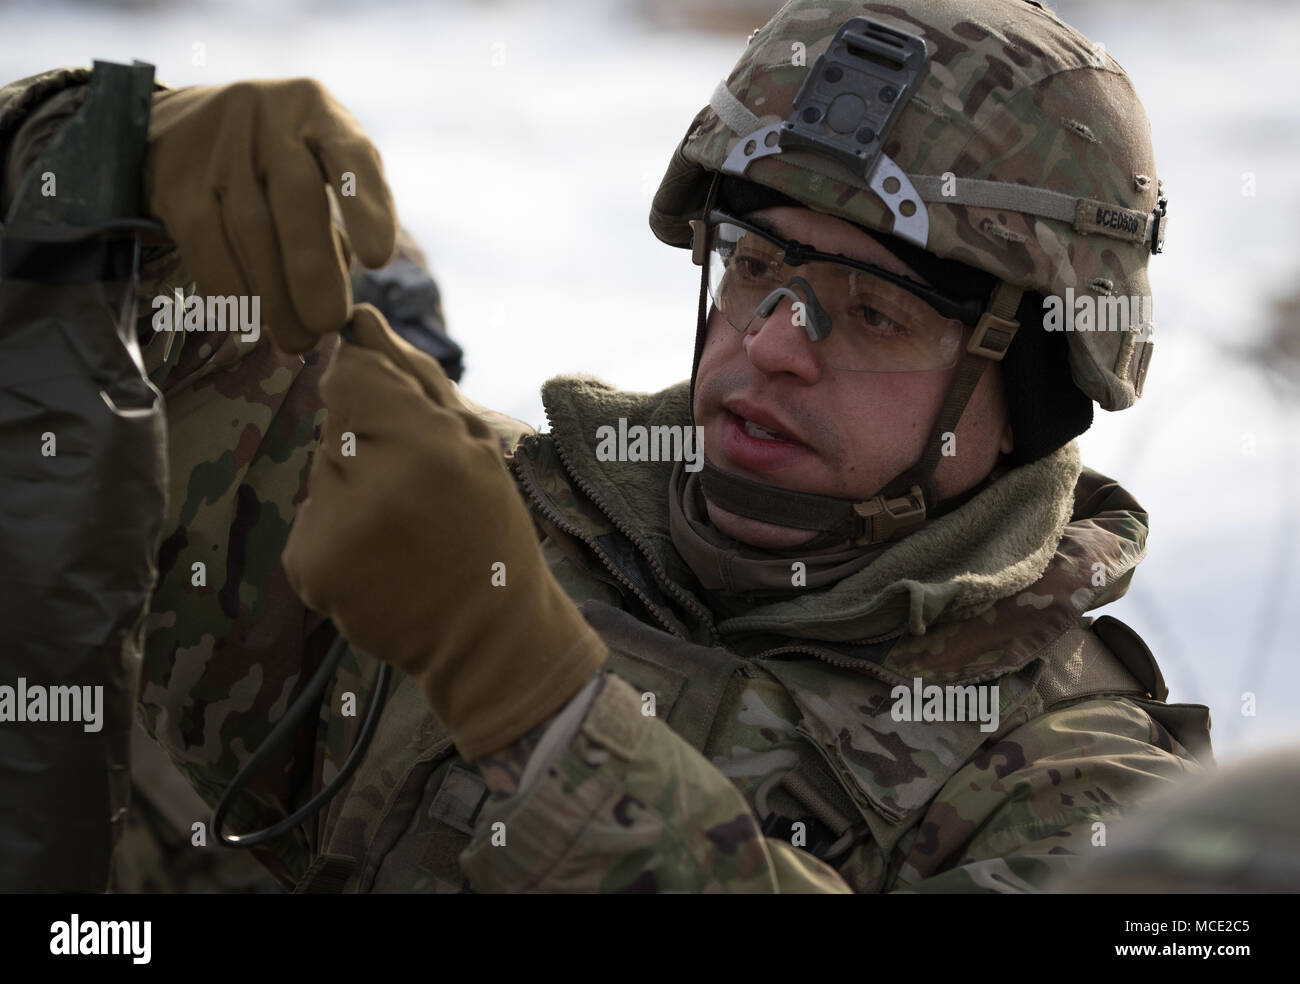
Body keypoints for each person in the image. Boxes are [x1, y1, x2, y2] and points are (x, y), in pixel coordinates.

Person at [0, 0, 1211, 893]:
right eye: (755, 268)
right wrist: (102, 164)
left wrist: (534, 706)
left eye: (877, 311)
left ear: (1041, 384)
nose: (775, 346)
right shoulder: (445, 508)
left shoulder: (1094, 800)